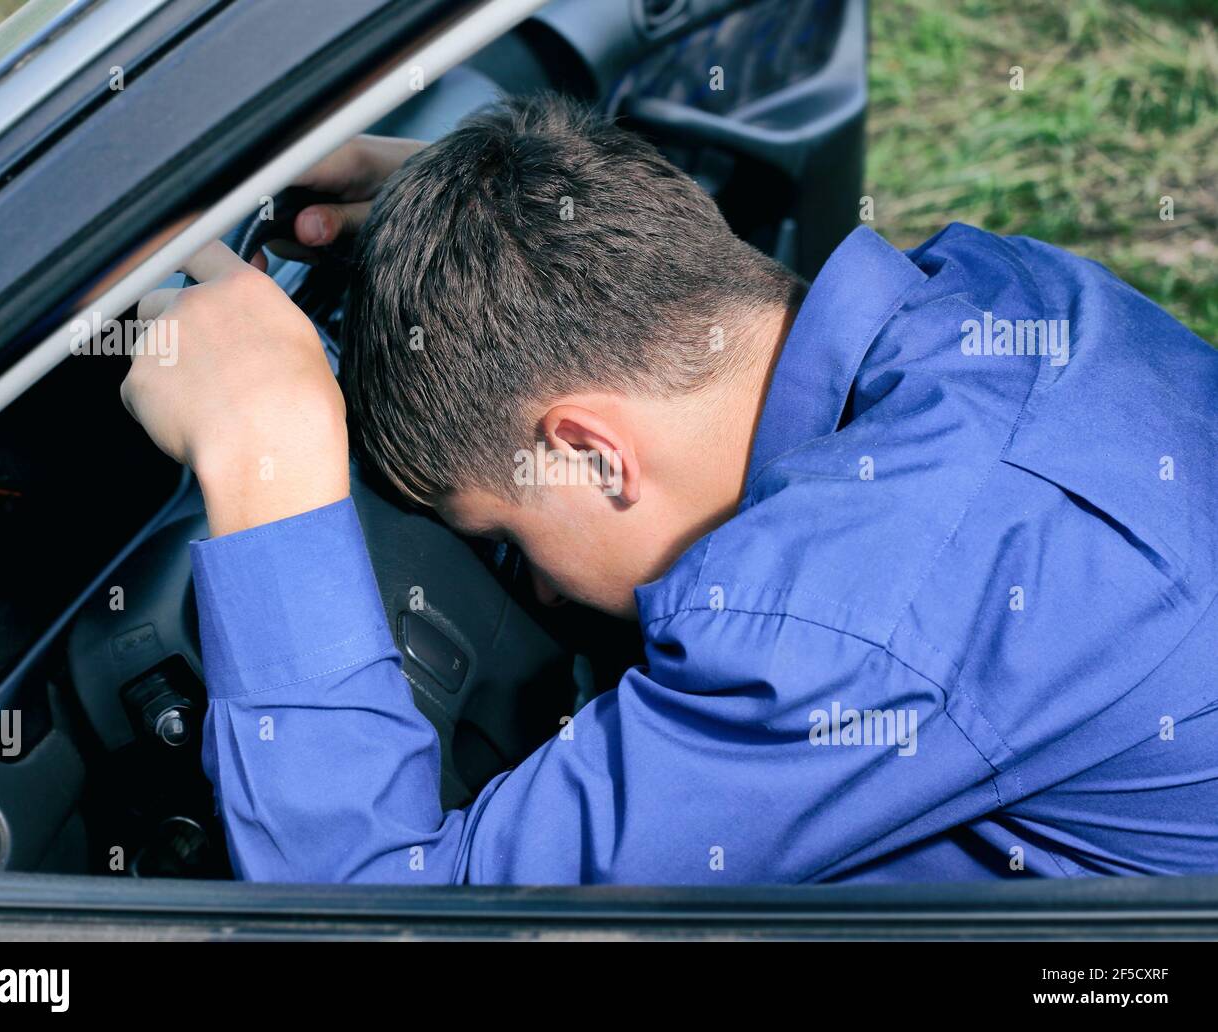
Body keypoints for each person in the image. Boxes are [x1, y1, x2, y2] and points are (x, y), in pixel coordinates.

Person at [122, 96, 1218, 884]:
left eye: (508, 536)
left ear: (592, 455)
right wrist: (481, 223)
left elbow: (363, 924)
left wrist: (267, 456)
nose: (537, 595)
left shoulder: (841, 625)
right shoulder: (1000, 290)